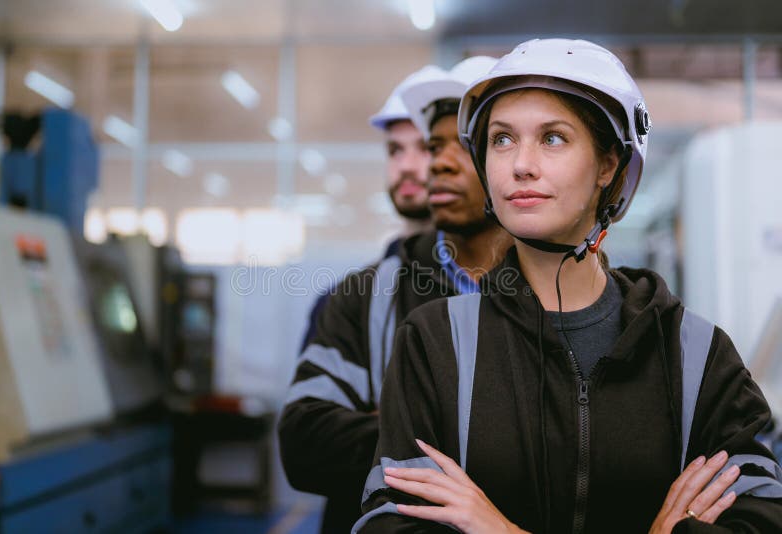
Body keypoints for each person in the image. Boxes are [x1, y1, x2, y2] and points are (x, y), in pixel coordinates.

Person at [355, 39, 782, 534]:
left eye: (553, 138)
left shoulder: (698, 353)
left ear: (608, 166)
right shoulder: (433, 343)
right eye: (502, 139)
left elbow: (762, 520)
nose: (521, 164)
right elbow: (389, 524)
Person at [278, 57, 513, 534]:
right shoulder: (363, 298)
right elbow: (304, 442)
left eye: (462, 145)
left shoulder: (555, 296)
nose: (429, 164)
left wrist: (398, 420)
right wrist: (488, 436)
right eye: (433, 145)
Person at [298, 66, 437, 351]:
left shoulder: (495, 292)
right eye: (395, 150)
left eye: (427, 148)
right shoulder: (346, 304)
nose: (407, 166)